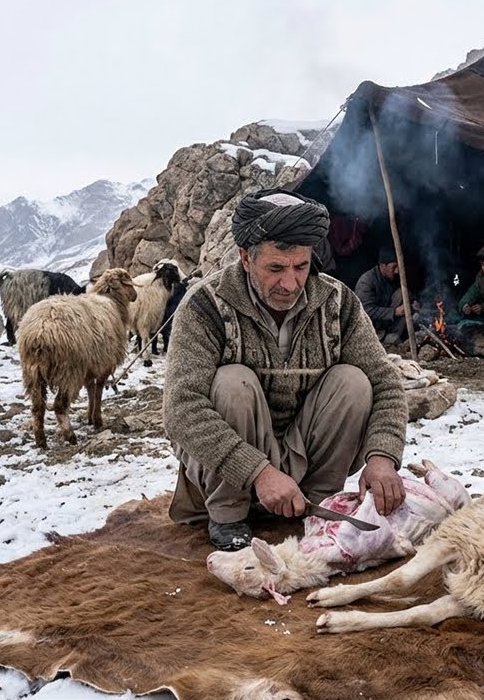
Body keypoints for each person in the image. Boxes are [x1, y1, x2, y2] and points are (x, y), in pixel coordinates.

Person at [163, 189, 408, 552]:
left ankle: (317, 503)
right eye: (275, 268)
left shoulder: (337, 303)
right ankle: (229, 513)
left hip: (303, 454)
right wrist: (258, 472)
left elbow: (385, 384)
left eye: (301, 267)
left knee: (353, 382)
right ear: (246, 258)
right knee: (233, 383)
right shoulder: (205, 304)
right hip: (229, 470)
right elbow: (181, 409)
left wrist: (382, 457)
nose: (290, 283)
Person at [354, 247, 413, 345]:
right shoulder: (366, 281)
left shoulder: (392, 277)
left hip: (385, 323)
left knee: (402, 293)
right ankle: (382, 339)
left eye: (398, 267)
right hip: (371, 328)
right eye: (394, 267)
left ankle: (393, 334)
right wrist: (394, 312)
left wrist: (412, 302)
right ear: (382, 265)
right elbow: (366, 310)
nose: (397, 271)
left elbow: (400, 295)